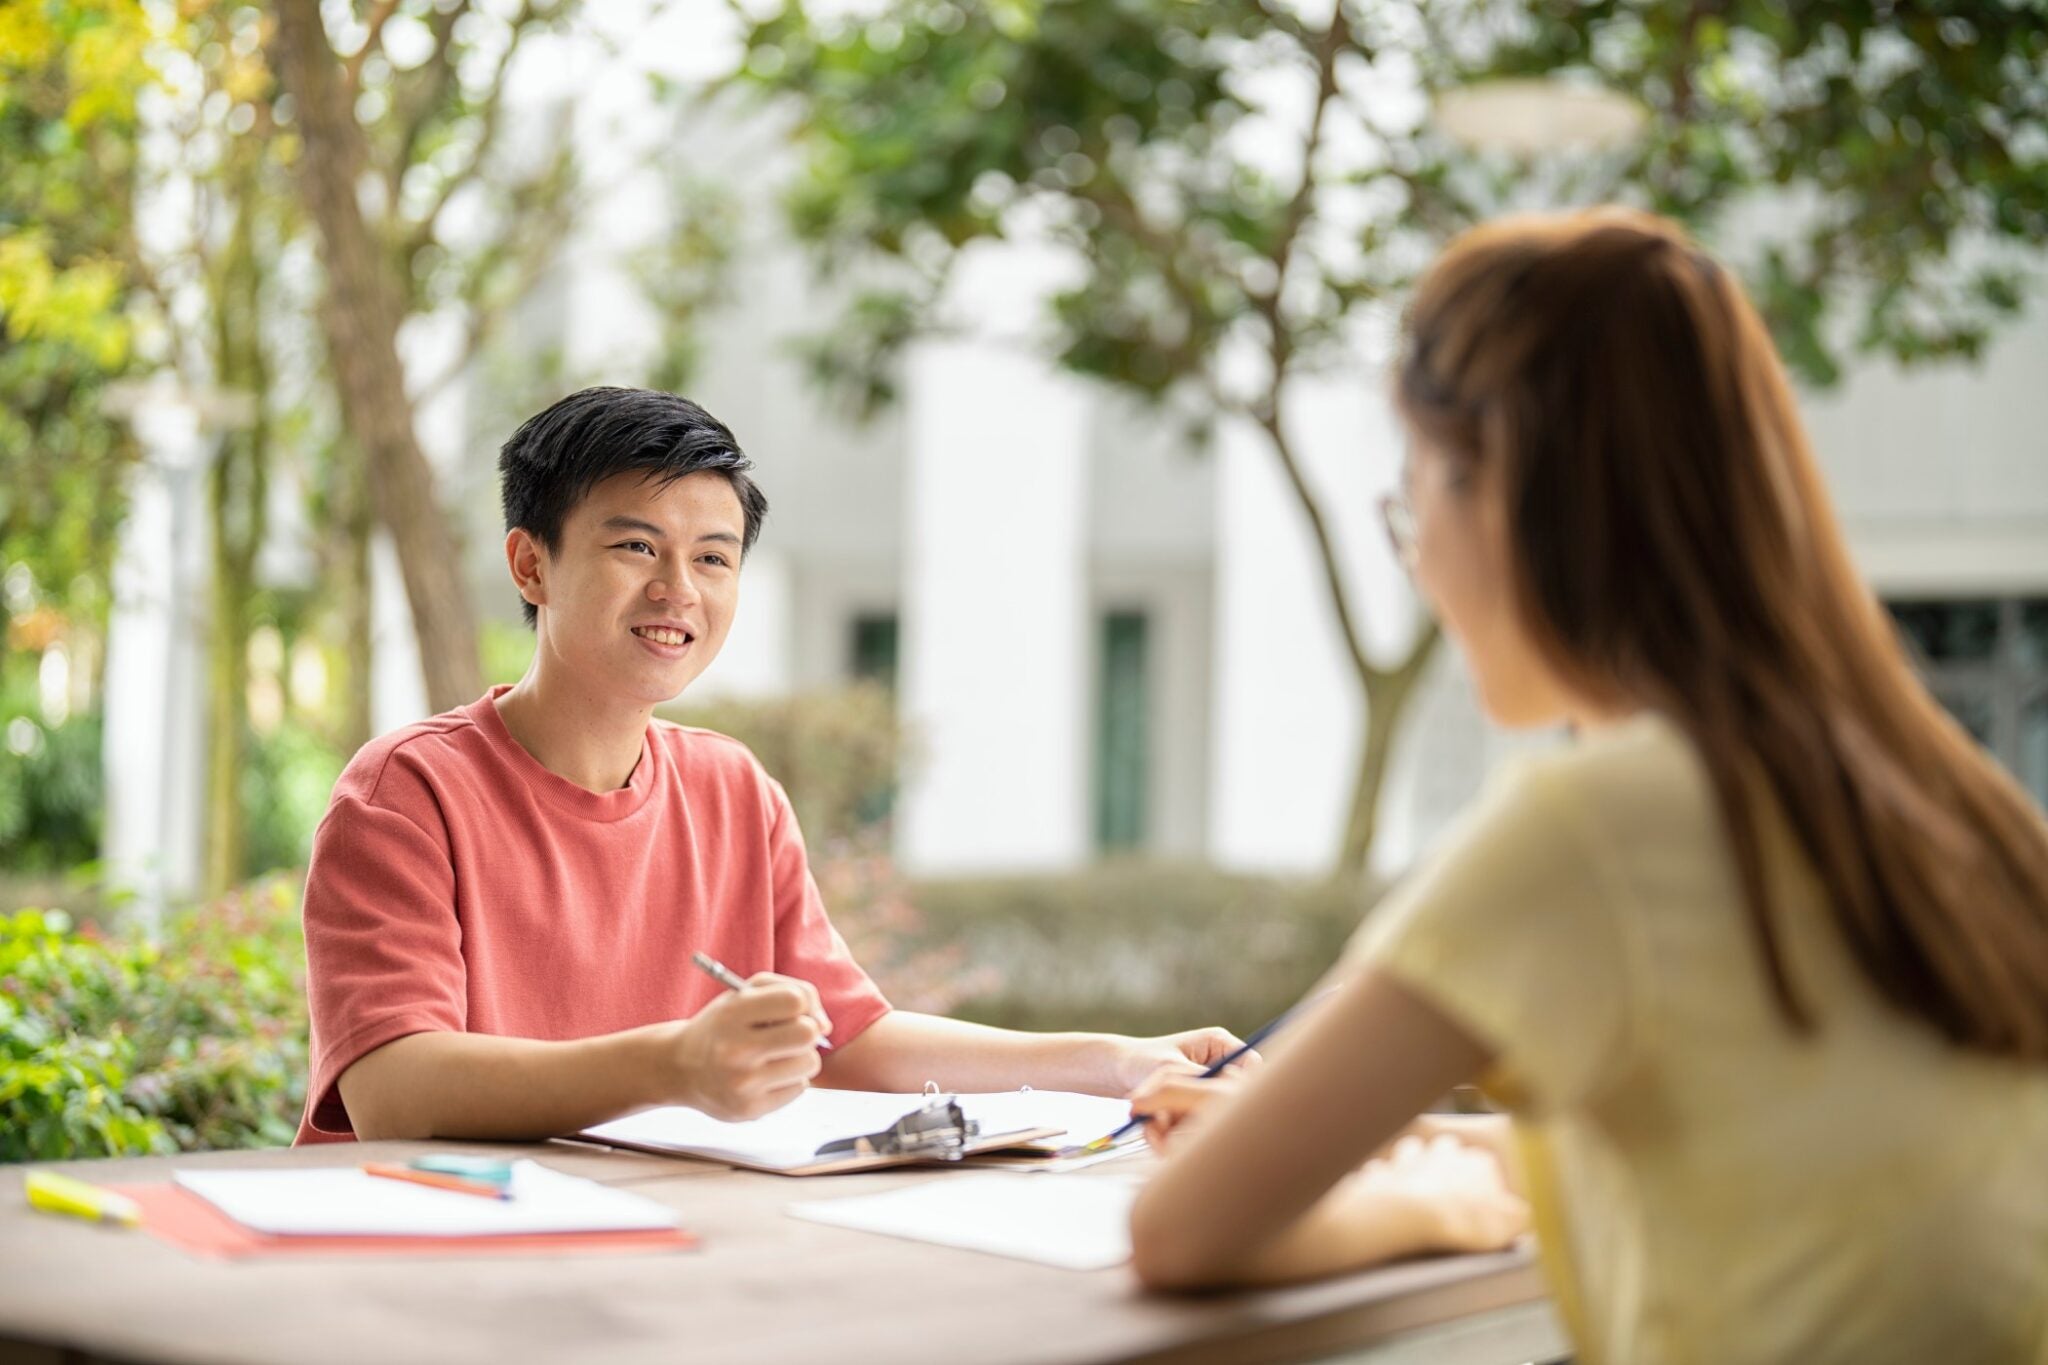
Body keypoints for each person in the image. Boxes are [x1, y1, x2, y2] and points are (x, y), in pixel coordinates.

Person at [1126, 208, 2048, 1364]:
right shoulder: (1941, 801)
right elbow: (1744, 1157)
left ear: (1496, 491)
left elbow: (1179, 1230)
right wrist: (1371, 1147)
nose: (1417, 562)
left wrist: (1415, 1209)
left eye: (1413, 505)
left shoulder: (1595, 822)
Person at [296, 386, 1240, 1145]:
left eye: (715, 557)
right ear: (530, 565)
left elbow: (852, 1040)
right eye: (635, 546)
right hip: (433, 1261)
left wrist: (1118, 1059)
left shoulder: (732, 790)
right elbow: (395, 1093)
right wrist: (676, 1064)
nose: (678, 589)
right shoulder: (407, 795)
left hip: (654, 1249)